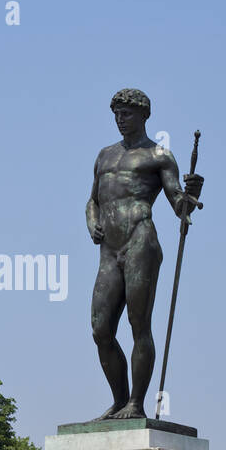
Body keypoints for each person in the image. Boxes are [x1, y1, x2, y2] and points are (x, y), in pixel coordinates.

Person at [87, 89, 203, 419]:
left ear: (143, 116)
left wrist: (192, 193)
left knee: (139, 324)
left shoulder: (159, 156)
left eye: (127, 114)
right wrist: (92, 223)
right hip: (109, 249)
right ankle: (120, 400)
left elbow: (178, 204)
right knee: (101, 329)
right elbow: (92, 201)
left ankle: (136, 404)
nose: (120, 119)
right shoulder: (104, 156)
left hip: (140, 241)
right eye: (117, 114)